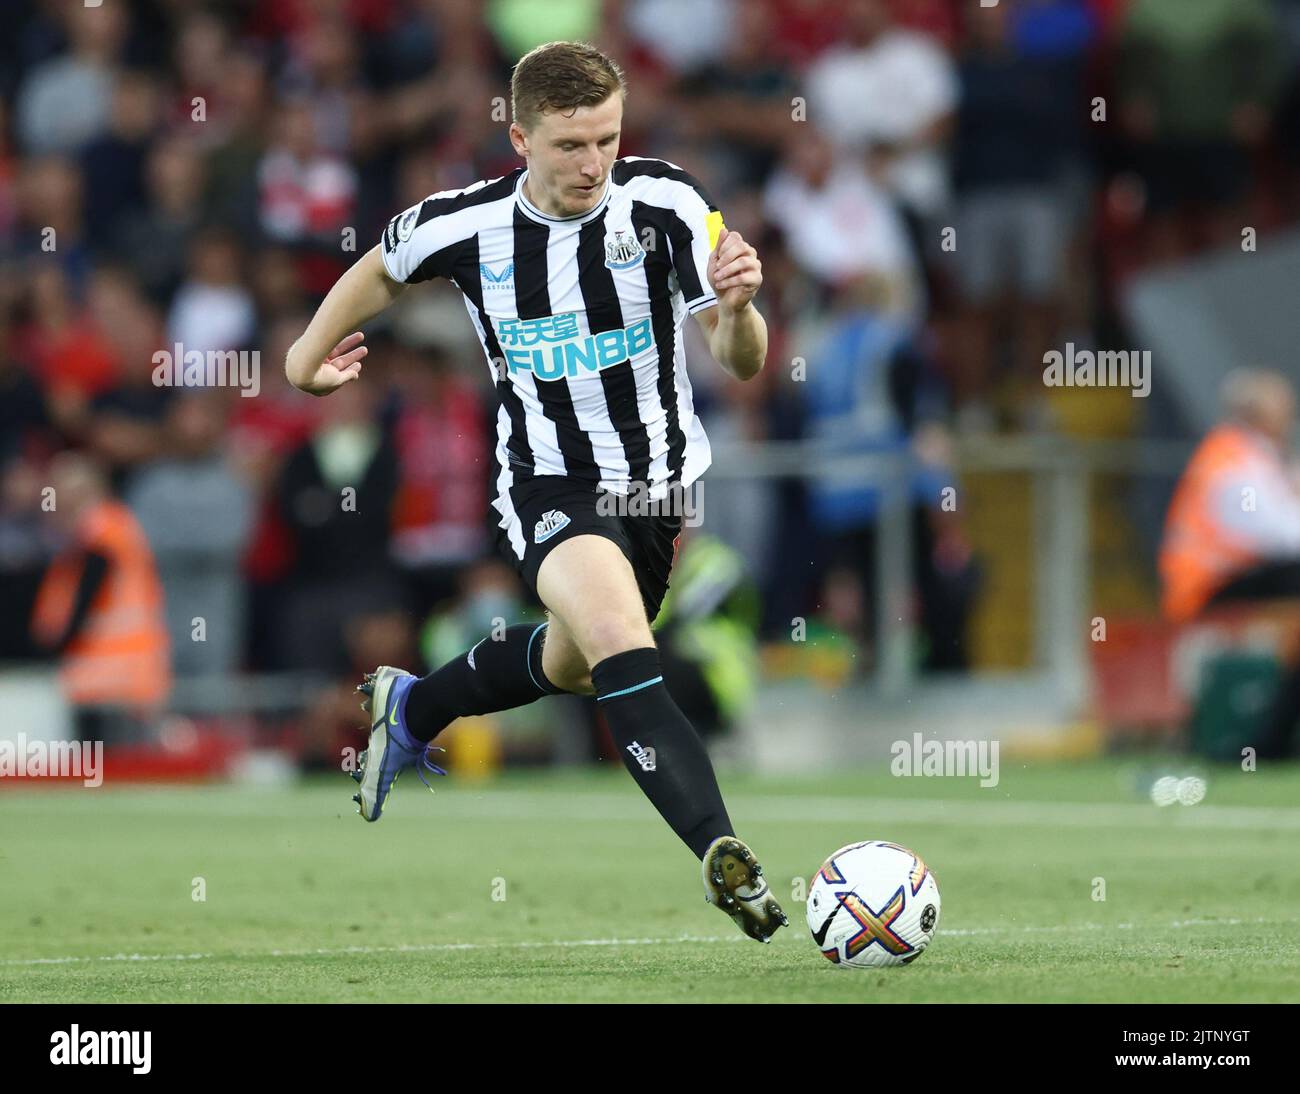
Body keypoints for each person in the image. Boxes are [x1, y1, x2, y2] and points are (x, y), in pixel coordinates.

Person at [284, 42, 787, 942]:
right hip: (547, 484)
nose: (593, 163)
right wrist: (300, 360)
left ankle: (413, 708)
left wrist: (744, 309)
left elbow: (739, 362)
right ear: (519, 137)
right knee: (619, 638)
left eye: (607, 138)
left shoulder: (669, 201)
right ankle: (722, 853)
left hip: (655, 496)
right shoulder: (465, 224)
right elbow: (377, 271)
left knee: (569, 663)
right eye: (569, 145)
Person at [1160, 369, 1300, 755]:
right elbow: (1279, 535)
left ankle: (1273, 736)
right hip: (1206, 587)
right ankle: (1270, 738)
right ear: (1260, 416)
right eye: (1284, 411)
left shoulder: (1253, 456)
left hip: (1239, 577)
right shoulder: (1233, 461)